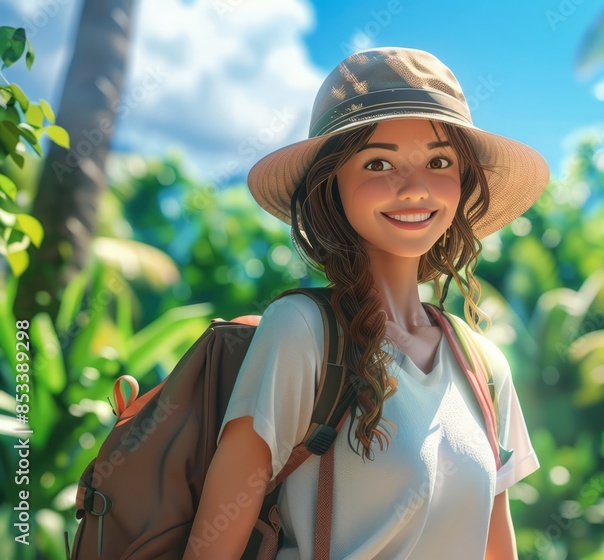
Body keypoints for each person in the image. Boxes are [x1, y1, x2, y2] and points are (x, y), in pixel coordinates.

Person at [183, 47, 549, 559]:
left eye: (439, 161)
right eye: (379, 163)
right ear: (332, 185)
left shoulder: (482, 365)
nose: (415, 187)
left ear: (463, 180)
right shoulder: (301, 332)